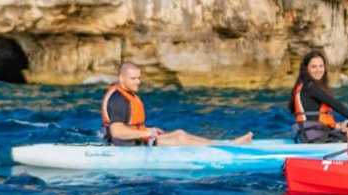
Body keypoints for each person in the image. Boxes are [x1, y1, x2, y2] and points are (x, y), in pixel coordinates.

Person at [102, 62, 253, 146]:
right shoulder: (118, 99)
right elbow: (117, 132)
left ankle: (222, 145)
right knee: (181, 140)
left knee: (180, 133)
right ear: (121, 79)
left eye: (139, 78)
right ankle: (226, 147)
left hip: (136, 140)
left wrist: (147, 129)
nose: (138, 82)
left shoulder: (128, 94)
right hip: (125, 146)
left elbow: (129, 125)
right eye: (133, 79)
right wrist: (145, 133)